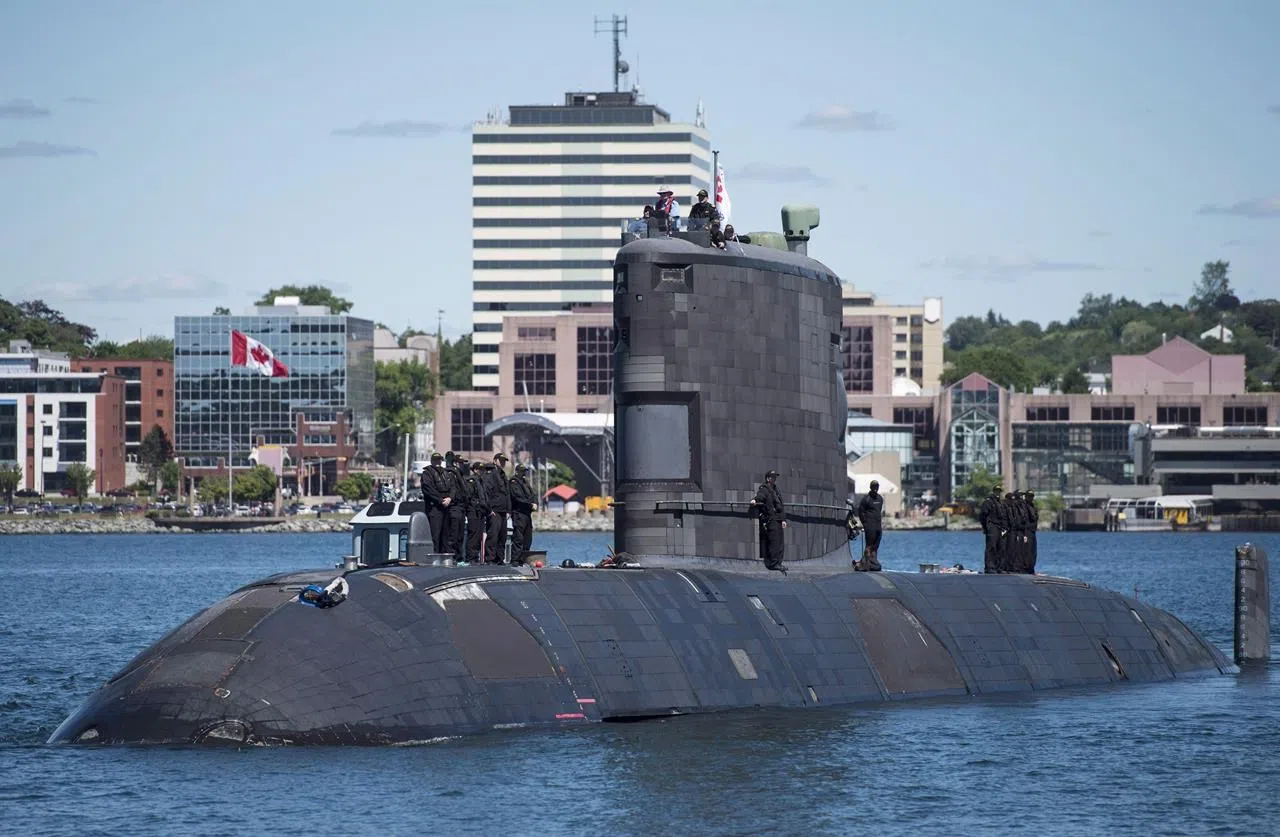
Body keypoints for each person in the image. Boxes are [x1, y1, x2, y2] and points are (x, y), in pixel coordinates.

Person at [750, 469, 787, 572]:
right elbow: (760, 496)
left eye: (775, 477)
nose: (774, 479)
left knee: (780, 543)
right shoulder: (765, 489)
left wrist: (783, 520)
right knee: (774, 542)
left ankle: (779, 563)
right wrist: (755, 500)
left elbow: (781, 505)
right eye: (772, 477)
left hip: (778, 519)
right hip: (771, 519)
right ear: (768, 478)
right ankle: (773, 563)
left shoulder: (776, 490)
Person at [420, 452, 456, 553]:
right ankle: (434, 557)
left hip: (446, 507)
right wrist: (440, 500)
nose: (437, 462)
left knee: (446, 535)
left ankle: (444, 557)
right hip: (434, 509)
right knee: (435, 535)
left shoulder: (446, 473)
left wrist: (450, 498)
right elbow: (428, 489)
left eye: (439, 459)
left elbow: (453, 487)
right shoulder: (427, 473)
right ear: (432, 461)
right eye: (435, 460)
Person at [482, 452, 511, 563]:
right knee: (493, 535)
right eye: (501, 460)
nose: (503, 463)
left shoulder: (503, 475)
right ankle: (490, 559)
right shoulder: (491, 475)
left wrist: (509, 510)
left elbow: (507, 494)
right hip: (494, 510)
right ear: (495, 461)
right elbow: (486, 493)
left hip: (503, 511)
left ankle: (499, 559)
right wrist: (489, 509)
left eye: (504, 461)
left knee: (502, 537)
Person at [461, 460, 488, 564]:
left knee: (478, 535)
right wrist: (473, 506)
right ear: (475, 470)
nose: (481, 472)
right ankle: (470, 557)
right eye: (479, 470)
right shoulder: (471, 481)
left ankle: (475, 556)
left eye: (483, 470)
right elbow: (469, 497)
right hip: (473, 511)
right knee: (473, 534)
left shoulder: (481, 482)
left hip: (480, 511)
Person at [508, 463, 536, 563]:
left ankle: (524, 558)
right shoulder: (514, 481)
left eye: (525, 471)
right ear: (517, 471)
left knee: (528, 538)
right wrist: (530, 504)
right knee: (518, 538)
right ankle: (515, 559)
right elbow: (518, 497)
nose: (524, 473)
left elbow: (532, 495)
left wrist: (534, 503)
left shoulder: (525, 482)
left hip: (527, 513)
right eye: (522, 471)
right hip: (519, 513)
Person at [854, 480, 884, 571]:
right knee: (869, 545)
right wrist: (865, 524)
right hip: (869, 525)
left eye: (877, 487)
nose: (875, 489)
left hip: (878, 525)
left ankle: (873, 562)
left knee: (876, 545)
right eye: (874, 487)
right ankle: (866, 563)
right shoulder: (866, 499)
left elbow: (878, 511)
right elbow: (860, 512)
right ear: (871, 487)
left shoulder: (880, 499)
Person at [978, 484, 1006, 573]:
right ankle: (989, 567)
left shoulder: (1000, 502)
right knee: (991, 547)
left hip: (999, 527)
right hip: (992, 526)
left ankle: (998, 567)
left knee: (1000, 547)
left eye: (999, 491)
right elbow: (982, 515)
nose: (998, 493)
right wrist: (986, 527)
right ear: (994, 491)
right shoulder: (988, 502)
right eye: (996, 491)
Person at [1022, 490, 1039, 574]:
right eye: (1029, 496)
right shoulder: (1023, 506)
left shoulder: (1033, 507)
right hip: (1027, 531)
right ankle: (1026, 568)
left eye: (1032, 496)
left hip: (1032, 531)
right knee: (1027, 551)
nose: (1031, 498)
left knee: (1033, 551)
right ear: (1026, 497)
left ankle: (1031, 568)